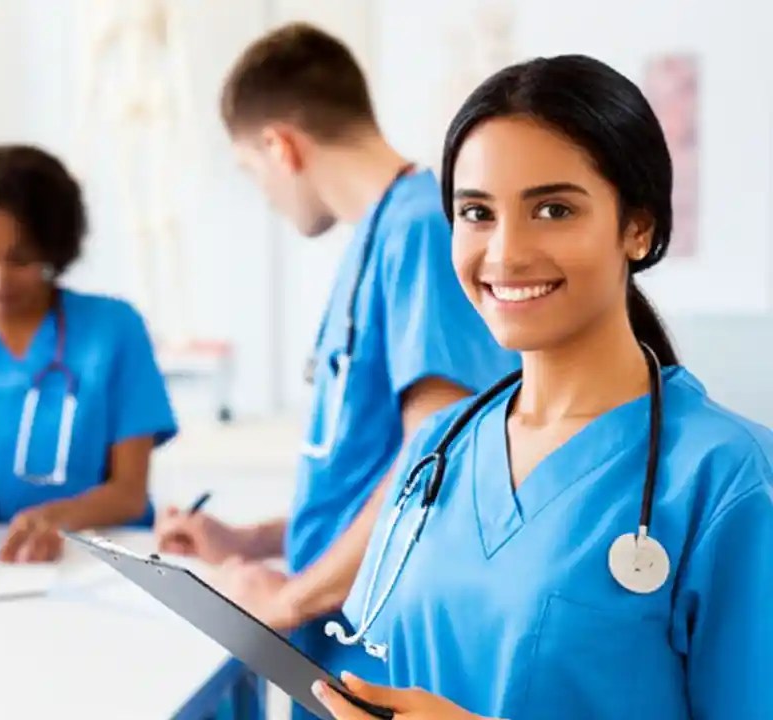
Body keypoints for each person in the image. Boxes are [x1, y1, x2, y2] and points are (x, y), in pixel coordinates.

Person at [314, 54, 773, 720]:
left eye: (553, 209)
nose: (504, 253)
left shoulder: (729, 481)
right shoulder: (439, 449)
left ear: (638, 226)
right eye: (476, 213)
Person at [154, 23, 517, 716]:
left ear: (279, 146)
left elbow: (434, 457)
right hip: (332, 647)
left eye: (250, 170)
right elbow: (361, 467)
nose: (262, 192)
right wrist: (254, 539)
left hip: (383, 657)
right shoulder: (374, 240)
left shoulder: (422, 229)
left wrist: (289, 596)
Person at [0, 144, 178, 564]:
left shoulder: (114, 330)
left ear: (54, 250)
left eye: (20, 259)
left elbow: (130, 495)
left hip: (106, 554)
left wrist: (61, 517)